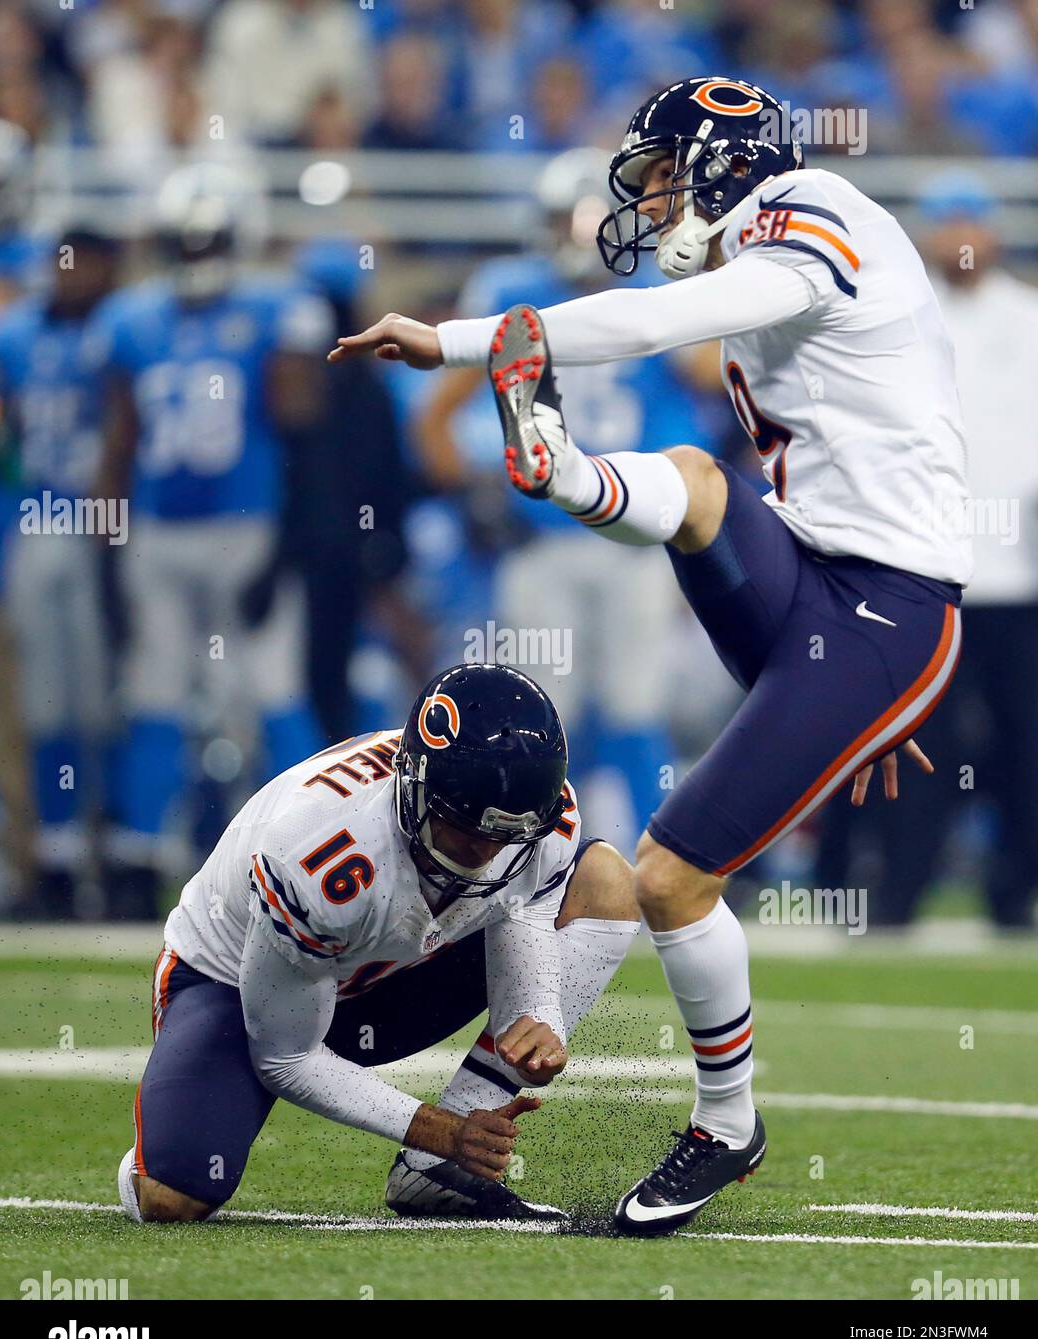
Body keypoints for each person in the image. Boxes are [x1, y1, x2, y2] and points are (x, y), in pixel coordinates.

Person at [329, 76, 971, 1234]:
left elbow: (645, 323)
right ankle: (562, 469)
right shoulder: (769, 237)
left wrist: (456, 342)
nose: (656, 197)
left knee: (669, 877)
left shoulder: (814, 215)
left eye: (669, 171)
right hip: (812, 572)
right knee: (693, 480)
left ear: (728, 162)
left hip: (884, 607)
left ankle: (726, 1125)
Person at [117, 663, 638, 1223]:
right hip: (239, 989)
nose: (487, 854)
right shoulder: (320, 855)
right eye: (464, 828)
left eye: (506, 836)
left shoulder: (533, 815)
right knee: (173, 1197)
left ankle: (437, 1173)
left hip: (389, 972)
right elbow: (286, 1058)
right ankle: (170, 1143)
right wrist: (443, 1131)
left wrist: (536, 1013)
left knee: (605, 881)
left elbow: (523, 899)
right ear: (413, 786)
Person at [417, 147, 711, 840]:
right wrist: (477, 495)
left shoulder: (653, 285)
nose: (579, 234)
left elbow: (712, 373)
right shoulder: (513, 286)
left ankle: (656, 856)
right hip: (544, 539)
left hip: (633, 537)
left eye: (591, 219)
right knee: (542, 711)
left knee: (636, 706)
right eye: (566, 220)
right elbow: (434, 419)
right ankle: (540, 857)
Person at [94, 164, 330, 919]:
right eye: (185, 242)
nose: (196, 256)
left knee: (272, 690)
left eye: (208, 241)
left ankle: (315, 843)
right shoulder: (131, 319)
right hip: (159, 534)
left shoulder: (276, 308)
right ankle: (139, 855)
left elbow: (303, 438)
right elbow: (118, 447)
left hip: (245, 529)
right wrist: (107, 555)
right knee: (153, 695)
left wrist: (287, 547)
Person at [816, 173, 1038, 929]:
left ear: (992, 231)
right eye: (946, 223)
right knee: (914, 744)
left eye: (971, 222)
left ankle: (1016, 896)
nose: (960, 238)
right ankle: (898, 895)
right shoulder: (904, 317)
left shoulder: (1028, 317)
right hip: (928, 570)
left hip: (1020, 576)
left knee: (1024, 743)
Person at [0, 227, 120, 917]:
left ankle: (112, 854)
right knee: (47, 708)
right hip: (38, 523)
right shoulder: (16, 335)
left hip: (109, 532)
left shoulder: (123, 330)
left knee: (105, 708)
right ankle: (55, 853)